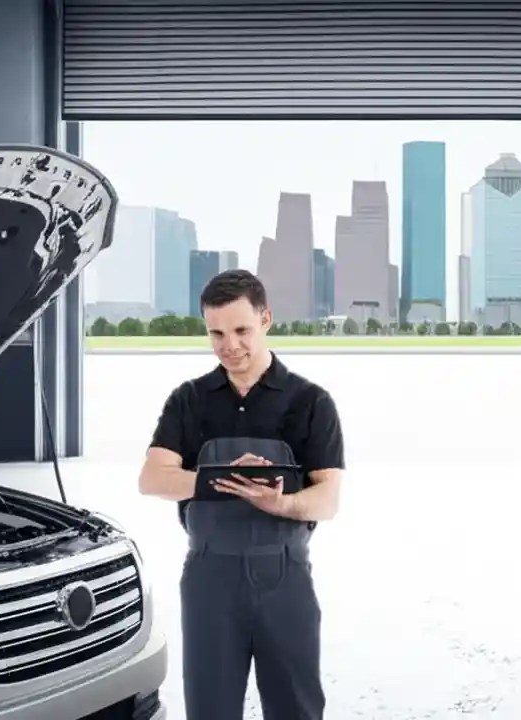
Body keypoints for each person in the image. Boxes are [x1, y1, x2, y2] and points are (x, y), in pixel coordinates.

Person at [138, 269, 344, 720]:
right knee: (210, 709)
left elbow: (328, 499)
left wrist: (283, 503)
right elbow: (152, 478)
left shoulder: (311, 402)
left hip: (285, 577)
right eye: (216, 333)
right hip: (210, 577)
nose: (229, 345)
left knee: (297, 709)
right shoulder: (188, 400)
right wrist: (220, 479)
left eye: (241, 330)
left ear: (266, 319)